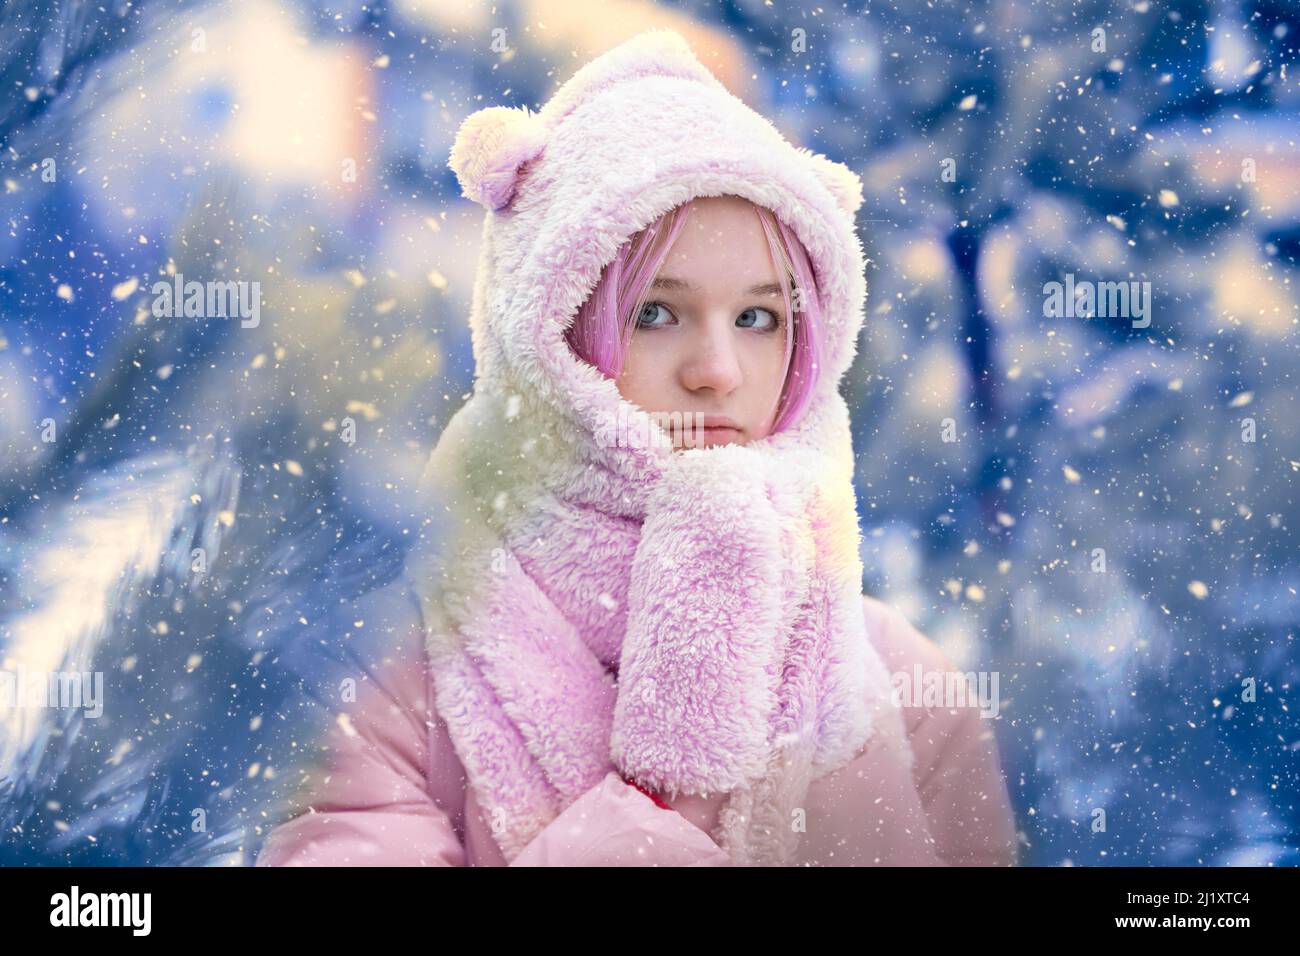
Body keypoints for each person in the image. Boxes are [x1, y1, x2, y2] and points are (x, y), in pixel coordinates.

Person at [255, 28, 1018, 867]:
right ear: (546, 337)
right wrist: (664, 803)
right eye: (656, 313)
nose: (717, 371)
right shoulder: (391, 671)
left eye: (757, 317)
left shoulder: (903, 685)